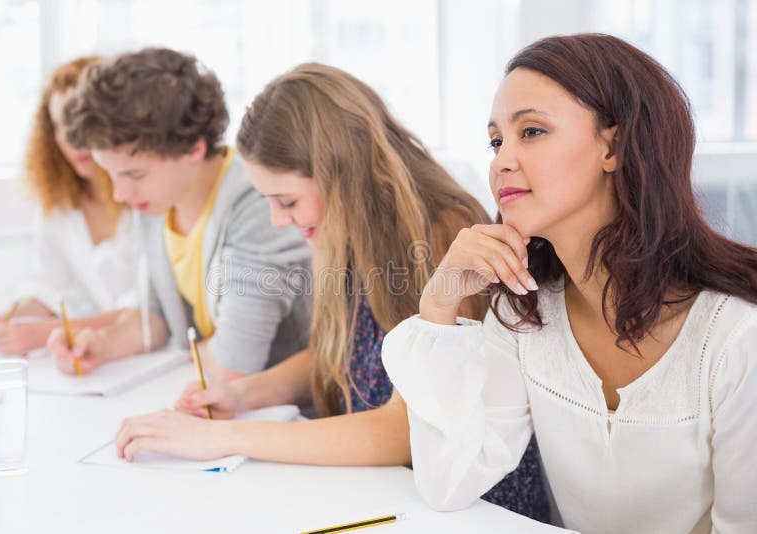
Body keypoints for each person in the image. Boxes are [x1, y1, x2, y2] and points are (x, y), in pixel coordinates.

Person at [114, 63, 549, 522]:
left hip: (468, 508)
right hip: (378, 487)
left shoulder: (444, 234)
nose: (278, 220)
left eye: (287, 202)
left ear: (343, 176)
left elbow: (405, 428)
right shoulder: (341, 232)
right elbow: (339, 353)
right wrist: (244, 395)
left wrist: (224, 438)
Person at [381, 33, 757, 533]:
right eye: (496, 141)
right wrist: (438, 305)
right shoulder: (524, 312)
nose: (501, 161)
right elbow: (448, 485)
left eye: (531, 131)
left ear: (615, 145)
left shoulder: (735, 335)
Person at [48, 47, 311, 378]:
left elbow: (234, 363)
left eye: (134, 175)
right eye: (111, 174)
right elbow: (156, 319)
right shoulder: (157, 204)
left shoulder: (258, 203)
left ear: (193, 148)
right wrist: (103, 344)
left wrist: (182, 354)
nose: (120, 193)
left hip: (293, 414)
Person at [0, 56, 138, 356]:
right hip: (107, 359)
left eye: (82, 123)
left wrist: (46, 333)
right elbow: (51, 285)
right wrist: (8, 321)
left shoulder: (145, 195)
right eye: (60, 126)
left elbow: (152, 313)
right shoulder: (58, 204)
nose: (73, 140)